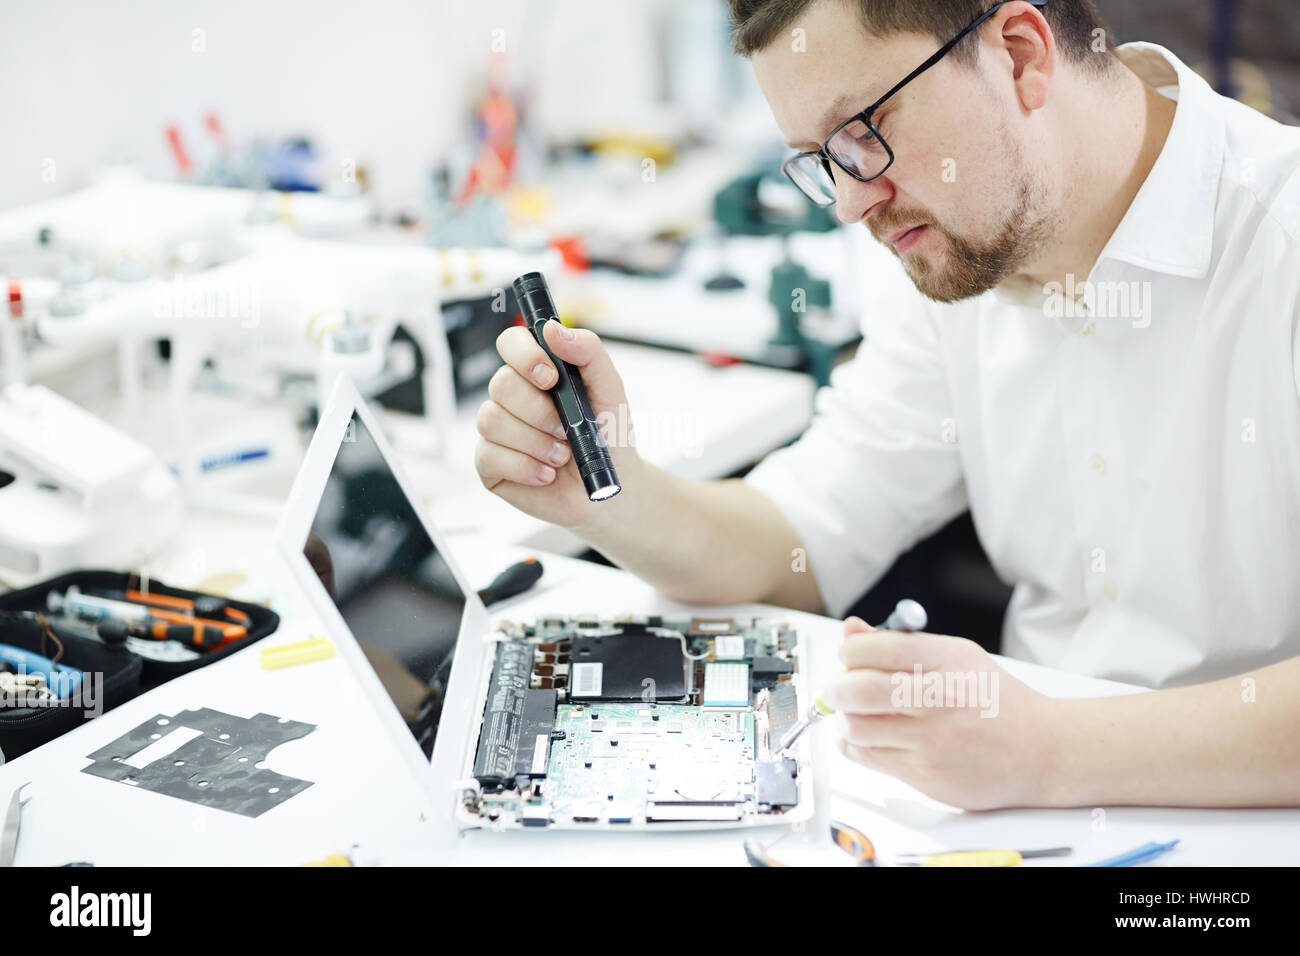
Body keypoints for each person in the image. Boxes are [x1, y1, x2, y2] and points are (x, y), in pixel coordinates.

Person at [474, 0, 1300, 810]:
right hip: (1023, 816)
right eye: (818, 160)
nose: (848, 203)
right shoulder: (964, 250)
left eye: (864, 133)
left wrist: (1050, 751)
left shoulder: (1280, 237)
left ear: (1018, 55)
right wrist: (609, 490)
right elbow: (794, 540)